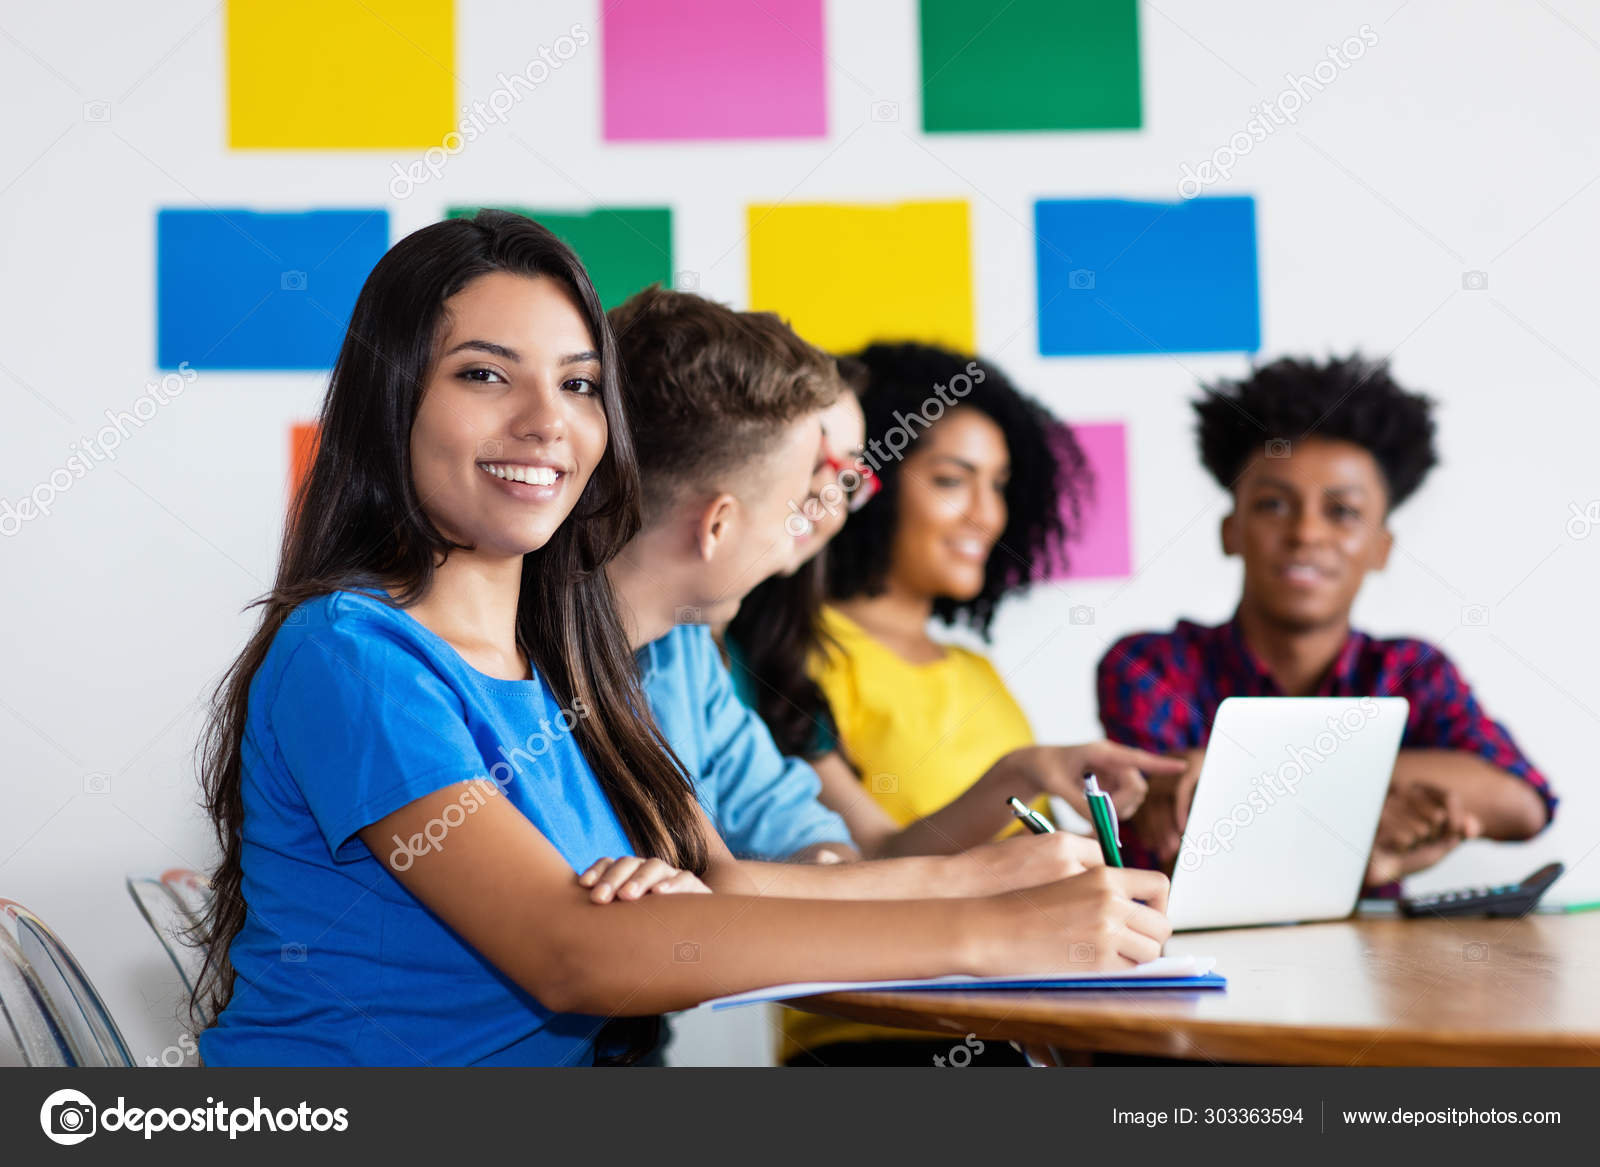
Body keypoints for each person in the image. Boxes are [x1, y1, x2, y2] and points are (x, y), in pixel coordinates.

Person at [192, 211, 1170, 1068]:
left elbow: (719, 883)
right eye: (484, 374)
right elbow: (571, 954)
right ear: (394, 399)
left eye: (579, 384)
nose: (545, 422)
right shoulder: (352, 654)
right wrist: (988, 927)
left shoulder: (587, 654)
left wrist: (975, 882)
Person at [763, 341, 1182, 1064]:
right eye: (953, 480)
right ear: (869, 482)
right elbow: (871, 869)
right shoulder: (800, 655)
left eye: (1000, 485)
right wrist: (1018, 774)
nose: (987, 514)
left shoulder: (977, 672)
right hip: (877, 1041)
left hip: (1021, 1027)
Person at [1096, 355, 1554, 887]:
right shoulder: (1149, 665)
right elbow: (1172, 840)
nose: (1306, 534)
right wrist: (1360, 797)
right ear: (1230, 531)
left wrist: (1240, 772)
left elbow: (1522, 802)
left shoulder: (1413, 670)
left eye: (1342, 512)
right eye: (1273, 505)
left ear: (1381, 548)